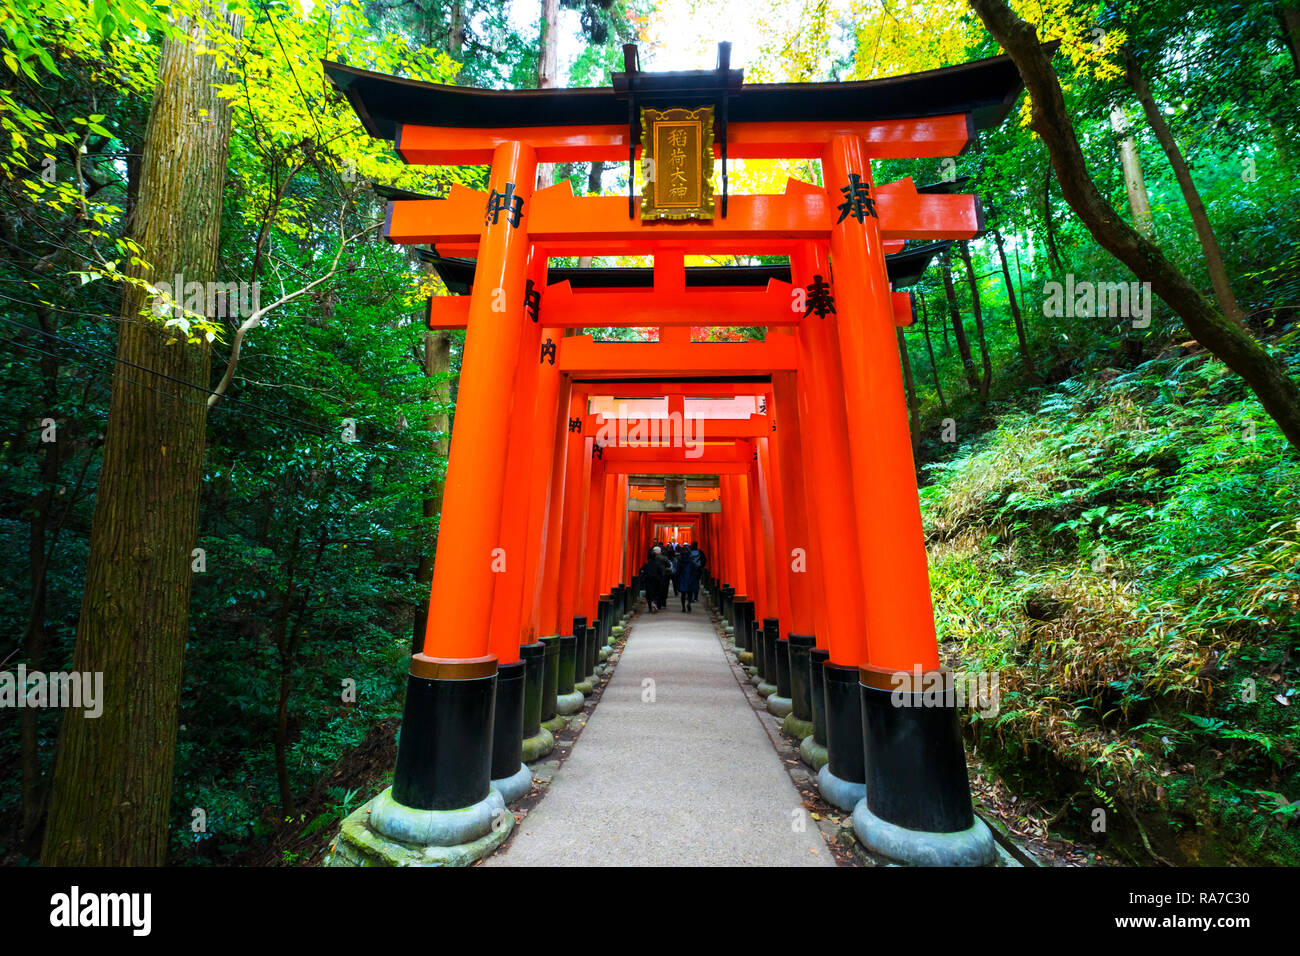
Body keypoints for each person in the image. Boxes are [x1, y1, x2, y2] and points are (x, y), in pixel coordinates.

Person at [676, 541, 702, 612]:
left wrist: (677, 579)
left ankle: (683, 607)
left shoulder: (680, 561)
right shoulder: (691, 562)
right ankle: (689, 602)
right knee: (690, 592)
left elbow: (677, 571)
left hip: (682, 579)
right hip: (690, 578)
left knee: (683, 594)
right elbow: (696, 568)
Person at [639, 546, 667, 612]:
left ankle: (650, 608)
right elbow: (661, 572)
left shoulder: (646, 564)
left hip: (648, 580)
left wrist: (642, 578)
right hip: (656, 580)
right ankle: (654, 603)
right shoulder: (658, 564)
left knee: (648, 594)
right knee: (656, 593)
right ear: (655, 556)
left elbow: (641, 570)